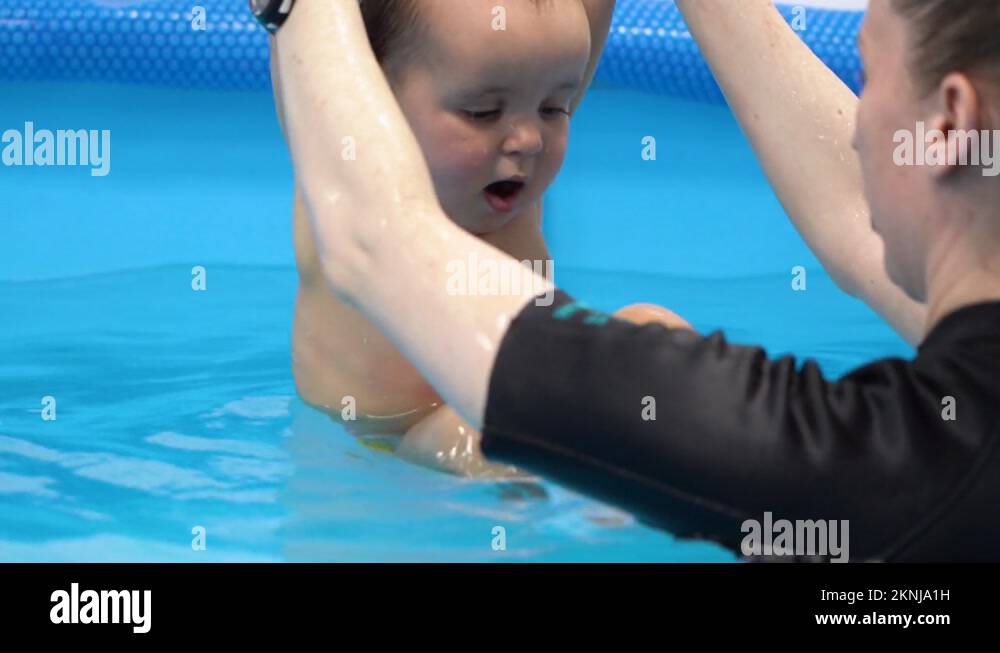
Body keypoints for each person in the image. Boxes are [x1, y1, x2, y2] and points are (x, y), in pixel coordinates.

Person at [262, 0, 1000, 561]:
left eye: (864, 77)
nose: (525, 136)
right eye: (485, 110)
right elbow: (851, 209)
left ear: (949, 125)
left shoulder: (881, 471)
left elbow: (373, 237)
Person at [272, 0, 691, 476]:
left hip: (519, 412)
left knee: (660, 341)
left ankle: (616, 511)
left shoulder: (514, 161)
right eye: (482, 112)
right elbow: (305, 32)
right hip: (388, 449)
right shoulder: (340, 168)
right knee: (487, 432)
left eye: (554, 108)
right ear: (372, 90)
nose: (528, 139)